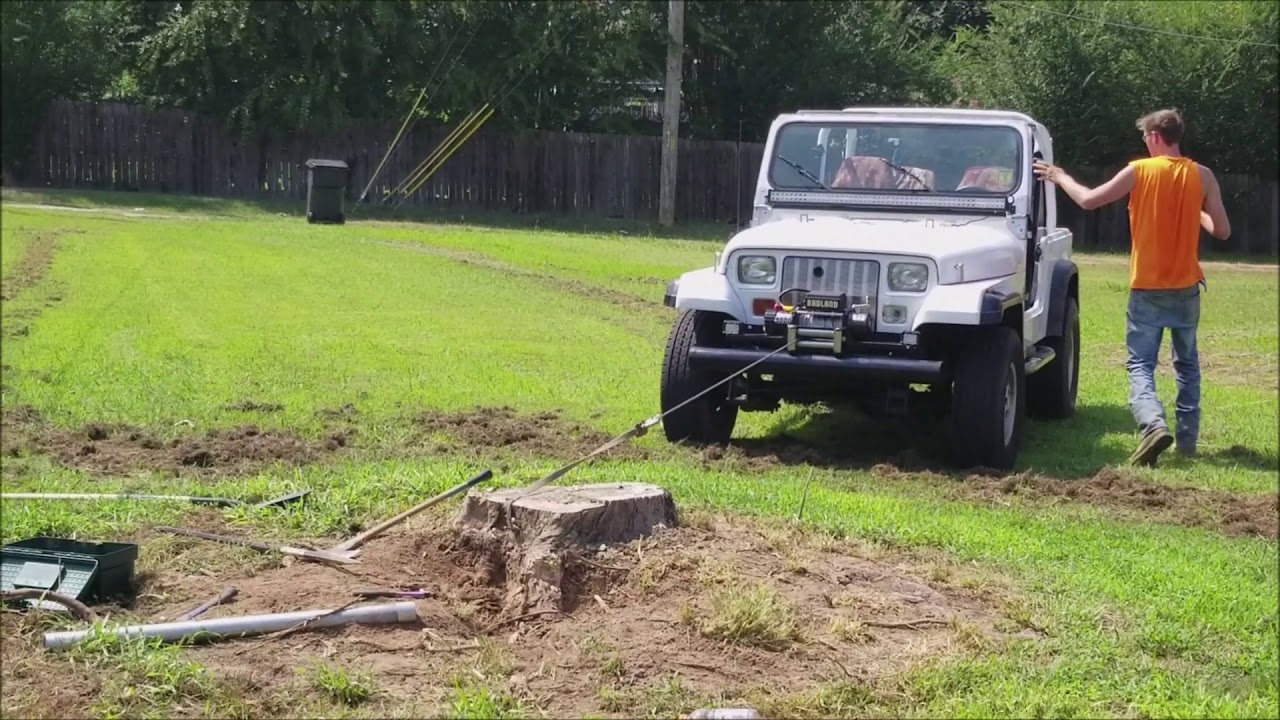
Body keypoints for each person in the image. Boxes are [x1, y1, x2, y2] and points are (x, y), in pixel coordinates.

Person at [1032, 109, 1231, 466]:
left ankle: (1153, 424)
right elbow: (1222, 230)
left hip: (1147, 287)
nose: (1145, 143)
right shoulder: (1202, 175)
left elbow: (1089, 200)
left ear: (1155, 136)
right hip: (1187, 287)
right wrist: (1194, 209)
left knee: (1141, 364)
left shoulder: (1139, 170)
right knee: (1187, 365)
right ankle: (1187, 444)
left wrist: (1059, 176)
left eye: (1145, 137)